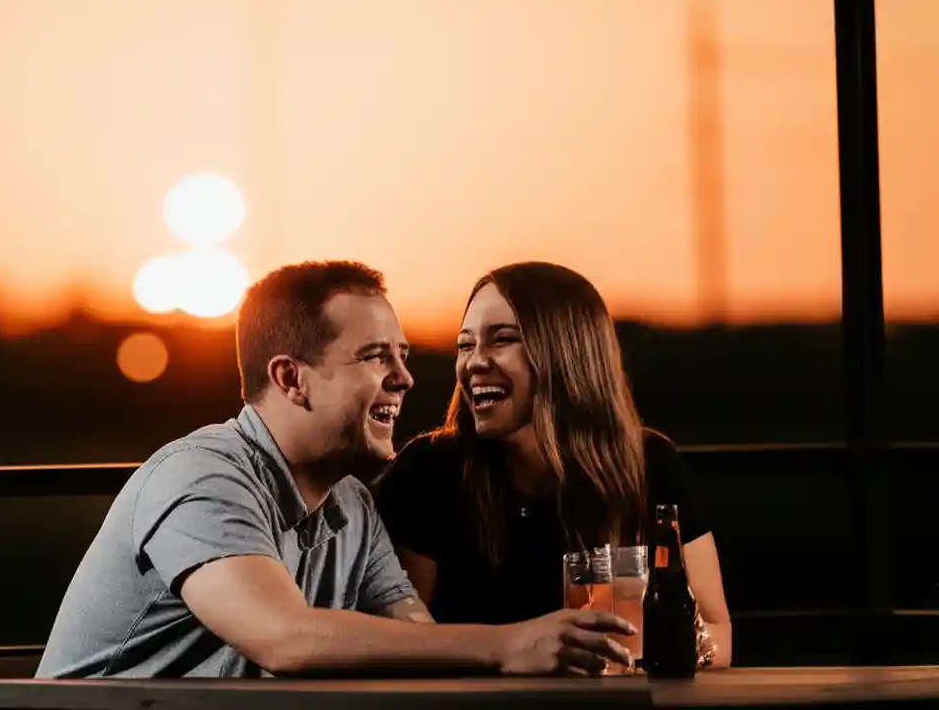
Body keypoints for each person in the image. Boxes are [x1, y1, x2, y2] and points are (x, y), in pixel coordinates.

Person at [36, 260, 635, 679]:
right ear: (291, 378)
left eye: (403, 356)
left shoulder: (353, 505)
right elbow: (285, 638)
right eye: (376, 357)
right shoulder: (202, 476)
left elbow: (419, 641)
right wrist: (508, 644)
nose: (405, 379)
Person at [376, 261, 732, 667]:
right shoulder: (429, 469)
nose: (474, 362)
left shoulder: (650, 464)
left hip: (612, 697)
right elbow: (405, 641)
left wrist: (667, 643)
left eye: (502, 340)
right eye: (465, 345)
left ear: (566, 353)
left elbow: (716, 630)